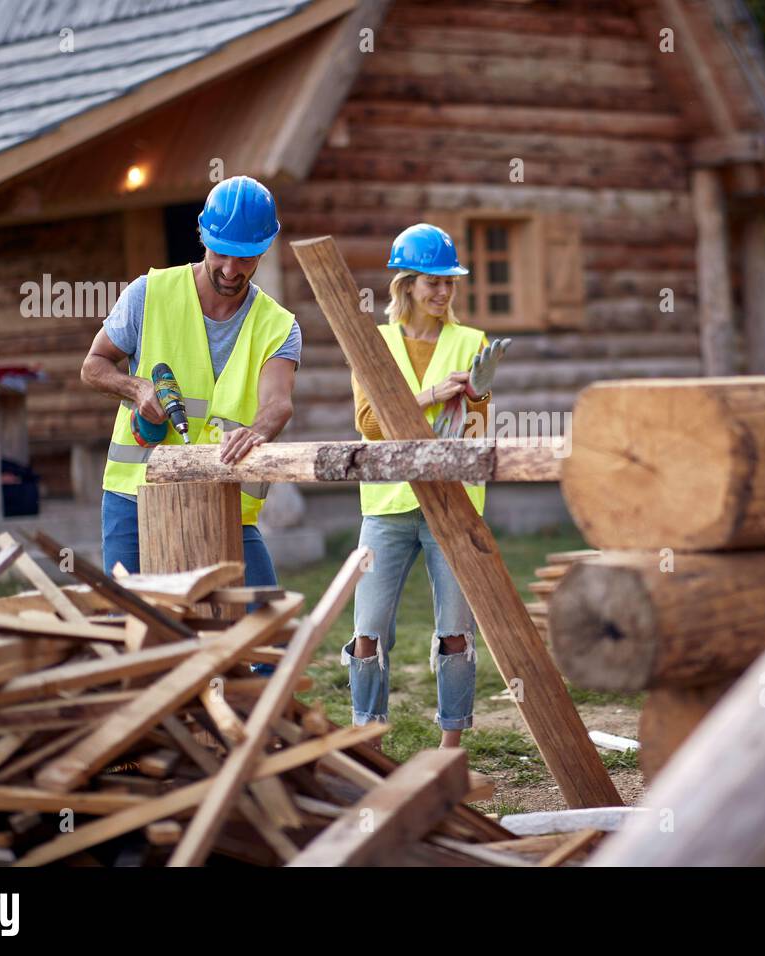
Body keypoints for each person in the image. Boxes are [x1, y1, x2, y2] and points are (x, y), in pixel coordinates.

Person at [81, 175, 301, 584]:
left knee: (261, 614)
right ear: (202, 236)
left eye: (245, 258)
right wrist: (138, 388)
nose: (231, 270)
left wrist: (255, 432)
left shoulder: (279, 326)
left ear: (264, 249)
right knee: (133, 614)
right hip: (136, 495)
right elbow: (93, 365)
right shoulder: (148, 294)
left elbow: (278, 403)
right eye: (221, 254)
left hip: (226, 501)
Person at [345, 223, 496, 749]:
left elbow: (475, 432)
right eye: (432, 281)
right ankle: (369, 744)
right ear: (406, 285)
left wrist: (477, 397)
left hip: (453, 504)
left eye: (450, 281)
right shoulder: (375, 343)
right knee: (367, 632)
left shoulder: (472, 342)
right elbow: (369, 423)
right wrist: (432, 395)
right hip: (386, 503)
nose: (443, 291)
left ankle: (450, 749)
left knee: (455, 631)